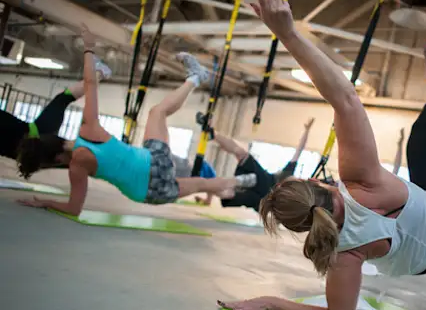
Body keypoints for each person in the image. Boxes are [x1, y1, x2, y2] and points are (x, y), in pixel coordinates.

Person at [218, 0, 426, 310]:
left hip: (423, 261)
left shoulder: (340, 255)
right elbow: (343, 97)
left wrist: (272, 301)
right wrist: (287, 33)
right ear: (315, 182)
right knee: (420, 141)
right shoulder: (362, 179)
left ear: (303, 229)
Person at [17, 24, 255, 216]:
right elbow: (90, 85)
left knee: (201, 184)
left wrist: (45, 202)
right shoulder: (88, 131)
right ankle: (195, 78)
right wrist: (88, 49)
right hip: (154, 162)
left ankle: (242, 180)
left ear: (56, 158)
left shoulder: (77, 168)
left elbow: (74, 209)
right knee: (157, 113)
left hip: (147, 193)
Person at [0, 60, 111, 171]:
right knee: (63, 98)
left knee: (63, 99)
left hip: (33, 150)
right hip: (38, 134)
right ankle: (100, 72)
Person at [208, 116, 315, 212]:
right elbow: (299, 150)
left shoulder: (294, 198)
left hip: (264, 198)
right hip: (264, 179)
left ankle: (204, 186)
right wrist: (306, 130)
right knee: (242, 154)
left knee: (230, 194)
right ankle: (213, 134)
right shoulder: (289, 171)